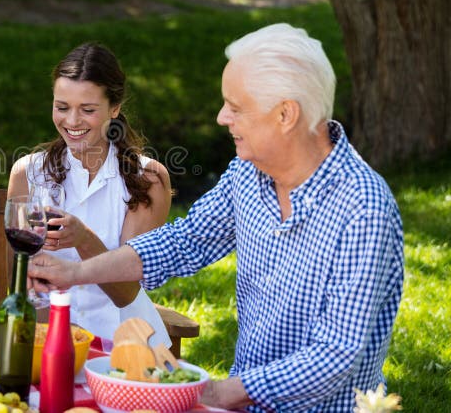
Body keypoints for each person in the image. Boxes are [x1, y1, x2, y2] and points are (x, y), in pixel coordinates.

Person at [28, 24, 404, 411]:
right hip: (244, 401)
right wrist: (74, 274)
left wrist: (215, 394)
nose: (222, 117)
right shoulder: (248, 173)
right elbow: (184, 241)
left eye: (236, 107)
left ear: (286, 114)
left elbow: (336, 354)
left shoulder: (363, 207)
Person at [8, 42, 172, 346]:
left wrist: (83, 239)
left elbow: (127, 292)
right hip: (43, 342)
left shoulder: (147, 179)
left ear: (115, 108)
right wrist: (46, 348)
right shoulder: (28, 174)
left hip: (125, 347)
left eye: (88, 110)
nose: (71, 122)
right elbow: (17, 287)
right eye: (62, 107)